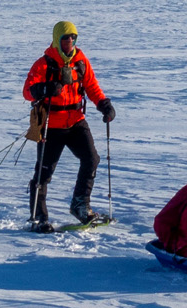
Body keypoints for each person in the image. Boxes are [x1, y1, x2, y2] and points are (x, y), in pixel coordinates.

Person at [22, 20, 116, 232]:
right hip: (51, 125)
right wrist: (44, 89)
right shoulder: (43, 64)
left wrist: (104, 104)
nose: (70, 42)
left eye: (73, 38)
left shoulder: (80, 61)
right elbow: (28, 91)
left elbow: (91, 86)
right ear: (57, 40)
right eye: (65, 38)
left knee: (91, 159)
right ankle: (38, 218)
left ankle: (80, 205)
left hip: (75, 121)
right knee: (44, 173)